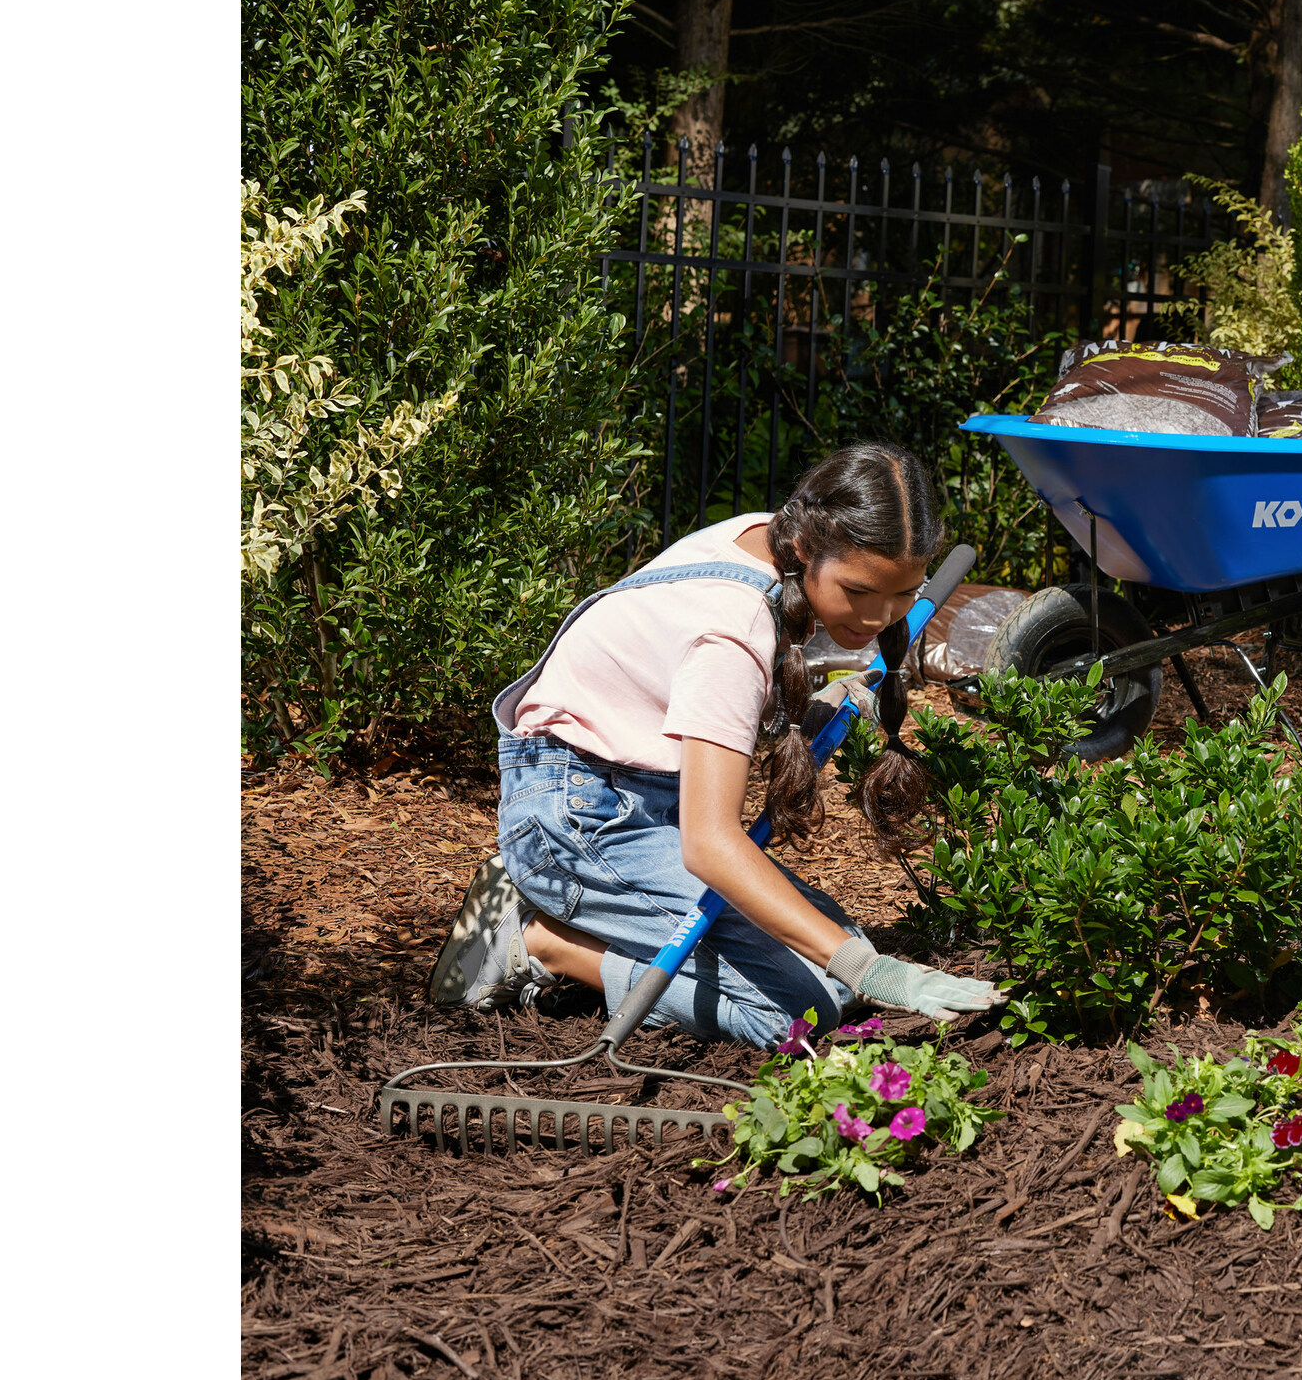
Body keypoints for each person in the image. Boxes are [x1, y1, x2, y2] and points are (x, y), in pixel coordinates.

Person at [424, 442, 1005, 1045]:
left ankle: (601, 917)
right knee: (797, 1014)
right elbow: (710, 843)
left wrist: (809, 709)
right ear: (806, 548)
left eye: (904, 594)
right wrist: (870, 969)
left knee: (840, 963)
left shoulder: (770, 536)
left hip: (641, 796)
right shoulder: (731, 629)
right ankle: (539, 941)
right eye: (859, 592)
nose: (882, 616)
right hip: (579, 820)